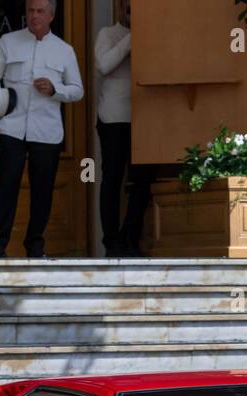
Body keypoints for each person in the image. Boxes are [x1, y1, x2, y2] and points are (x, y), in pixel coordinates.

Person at [0, 0, 83, 258]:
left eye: (40, 11)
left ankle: (35, 246)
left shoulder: (64, 50)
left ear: (51, 16)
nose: (34, 16)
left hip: (47, 131)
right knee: (7, 184)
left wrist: (55, 89)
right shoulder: (8, 42)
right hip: (11, 127)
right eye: (30, 10)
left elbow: (78, 90)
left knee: (43, 190)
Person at [95, 0, 153, 257]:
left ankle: (131, 236)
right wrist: (130, 40)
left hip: (145, 116)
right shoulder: (108, 34)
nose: (132, 14)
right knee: (112, 179)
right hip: (114, 118)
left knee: (143, 180)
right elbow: (103, 65)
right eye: (129, 10)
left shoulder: (152, 33)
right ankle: (111, 242)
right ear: (121, 10)